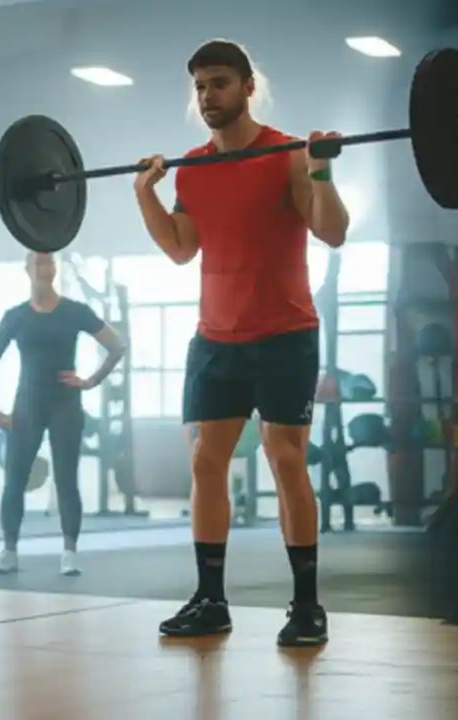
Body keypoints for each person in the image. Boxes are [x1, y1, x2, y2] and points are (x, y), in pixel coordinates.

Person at [134, 39, 348, 646]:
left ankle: (307, 606)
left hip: (284, 334)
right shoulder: (194, 168)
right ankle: (210, 600)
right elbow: (180, 247)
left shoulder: (284, 155)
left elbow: (332, 232)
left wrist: (322, 170)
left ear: (248, 87)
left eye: (220, 83)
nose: (208, 96)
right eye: (200, 86)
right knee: (205, 461)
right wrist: (145, 194)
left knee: (284, 460)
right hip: (216, 339)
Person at [0, 252, 124, 577]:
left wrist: (90, 380)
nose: (45, 270)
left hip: (65, 405)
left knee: (66, 480)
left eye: (49, 264)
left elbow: (117, 345)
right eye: (38, 264)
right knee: (14, 480)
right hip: (27, 405)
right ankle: (9, 551)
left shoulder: (74, 312)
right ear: (28, 270)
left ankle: (70, 552)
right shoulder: (16, 316)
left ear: (54, 270)